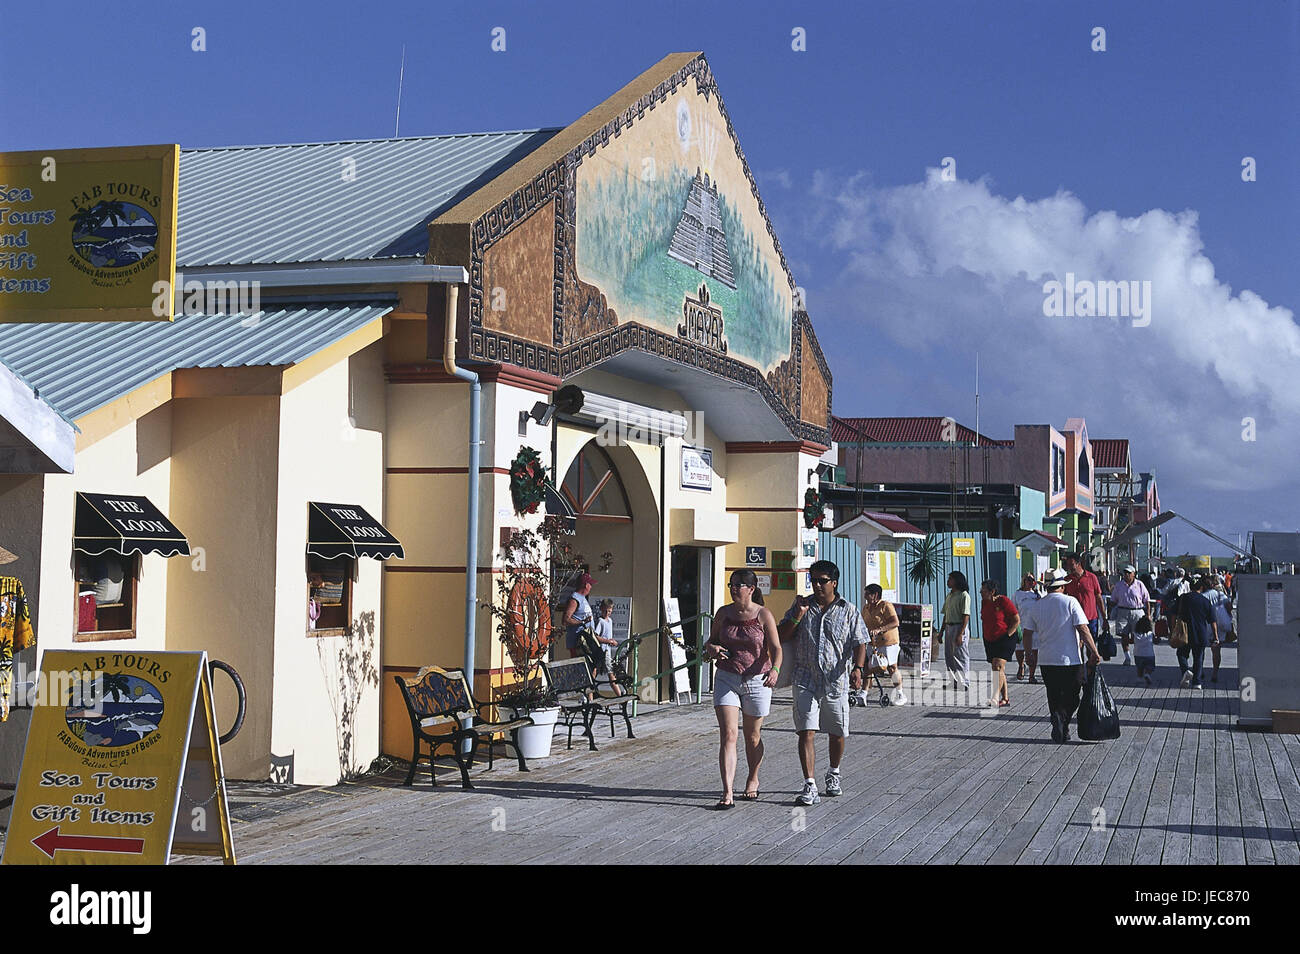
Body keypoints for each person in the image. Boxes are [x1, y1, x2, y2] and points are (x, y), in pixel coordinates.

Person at [778, 560, 869, 806]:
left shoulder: (848, 610)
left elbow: (860, 641)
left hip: (835, 681)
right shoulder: (802, 606)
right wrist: (797, 615)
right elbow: (782, 635)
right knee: (806, 731)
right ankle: (809, 784)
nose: (817, 585)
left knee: (837, 732)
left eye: (822, 580)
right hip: (805, 678)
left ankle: (834, 772)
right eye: (813, 580)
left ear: (834, 583)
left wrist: (858, 669)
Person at [702, 570, 781, 809]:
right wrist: (712, 649)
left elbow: (776, 647)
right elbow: (710, 642)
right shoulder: (723, 614)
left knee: (752, 736)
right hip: (727, 677)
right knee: (728, 734)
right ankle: (727, 792)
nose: (733, 589)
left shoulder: (763, 614)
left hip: (758, 680)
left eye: (738, 585)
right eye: (731, 585)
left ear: (751, 589)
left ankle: (753, 777)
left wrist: (775, 669)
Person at [1021, 569, 1102, 743]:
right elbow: (1083, 629)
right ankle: (1061, 717)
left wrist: (1029, 655)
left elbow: (1027, 633)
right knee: (1073, 696)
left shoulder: (1037, 606)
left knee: (1053, 694)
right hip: (1070, 659)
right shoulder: (1070, 602)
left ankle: (1060, 725)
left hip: (1046, 660)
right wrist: (1094, 651)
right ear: (1062, 587)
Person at [861, 584, 906, 705]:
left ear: (875, 595)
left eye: (867, 594)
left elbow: (895, 622)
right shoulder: (865, 608)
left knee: (891, 667)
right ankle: (863, 693)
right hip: (873, 642)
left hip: (888, 642)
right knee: (868, 667)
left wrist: (880, 629)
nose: (865, 596)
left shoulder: (885, 605)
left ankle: (900, 694)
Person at [979, 580, 1020, 707]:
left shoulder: (1003, 601)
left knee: (997, 667)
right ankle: (1005, 698)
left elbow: (1016, 619)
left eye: (984, 590)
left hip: (1005, 638)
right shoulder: (984, 602)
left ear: (992, 592)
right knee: (998, 668)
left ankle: (995, 698)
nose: (981, 592)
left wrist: (1007, 635)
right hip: (990, 640)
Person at [1178, 576, 1219, 689]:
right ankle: (1197, 682)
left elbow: (1172, 613)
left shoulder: (1183, 598)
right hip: (1201, 633)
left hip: (1184, 633)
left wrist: (1172, 629)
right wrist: (1216, 637)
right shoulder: (1205, 601)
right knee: (1198, 657)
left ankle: (1186, 671)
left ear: (1190, 586)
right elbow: (1212, 621)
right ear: (1201, 587)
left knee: (1181, 654)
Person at [1063, 552, 1108, 652]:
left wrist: (1104, 618)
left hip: (1091, 619)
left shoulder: (1092, 578)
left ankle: (1092, 666)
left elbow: (1099, 598)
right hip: (1074, 619)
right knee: (1077, 647)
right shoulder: (1067, 580)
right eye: (1068, 565)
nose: (1069, 567)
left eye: (1072, 564)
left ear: (1078, 563)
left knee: (1091, 647)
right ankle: (1080, 667)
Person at [1110, 564, 1151, 666]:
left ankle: (1139, 656)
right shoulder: (1119, 585)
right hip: (1123, 611)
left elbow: (1147, 600)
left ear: (1134, 574)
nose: (1127, 575)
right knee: (1124, 635)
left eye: (1129, 573)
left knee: (1138, 636)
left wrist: (1148, 615)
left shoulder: (1140, 584)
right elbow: (1113, 600)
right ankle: (1127, 657)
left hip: (1137, 611)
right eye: (1125, 573)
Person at [941, 571, 972, 689]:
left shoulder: (964, 595)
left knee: (960, 655)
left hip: (959, 627)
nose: (948, 581)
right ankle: (953, 680)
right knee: (949, 656)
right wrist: (941, 632)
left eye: (950, 579)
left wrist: (960, 633)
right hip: (949, 627)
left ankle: (964, 682)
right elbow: (946, 615)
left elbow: (966, 615)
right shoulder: (949, 596)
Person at [1011, 573, 1041, 682]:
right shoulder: (1017, 594)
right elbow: (1013, 609)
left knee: (1034, 650)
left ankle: (1032, 675)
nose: (1030, 582)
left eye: (1032, 580)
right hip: (1021, 624)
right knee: (1019, 649)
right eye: (1028, 580)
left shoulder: (1037, 594)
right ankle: (1021, 665)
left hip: (1034, 626)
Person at [562, 573, 596, 659]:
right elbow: (566, 620)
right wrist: (583, 622)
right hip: (578, 642)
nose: (591, 587)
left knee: (592, 667)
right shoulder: (574, 599)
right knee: (580, 668)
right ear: (586, 585)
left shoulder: (582, 598)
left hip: (587, 640)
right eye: (590, 584)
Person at [593, 599, 621, 689]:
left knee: (597, 671)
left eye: (609, 611)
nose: (607, 613)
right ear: (601, 609)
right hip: (601, 650)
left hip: (607, 650)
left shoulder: (610, 621)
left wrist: (612, 641)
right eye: (605, 610)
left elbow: (608, 636)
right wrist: (608, 641)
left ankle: (588, 695)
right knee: (610, 673)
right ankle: (620, 696)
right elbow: (596, 636)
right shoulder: (600, 621)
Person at [1133, 613, 1156, 686]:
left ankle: (1139, 677)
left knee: (1139, 667)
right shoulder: (1150, 634)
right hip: (1149, 654)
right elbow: (1155, 641)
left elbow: (1131, 640)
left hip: (1138, 654)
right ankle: (1147, 674)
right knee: (1150, 667)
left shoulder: (1135, 634)